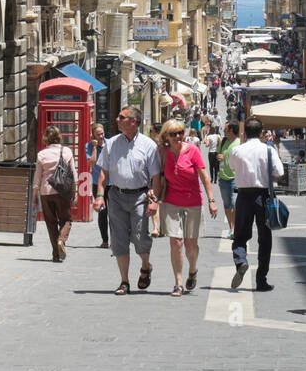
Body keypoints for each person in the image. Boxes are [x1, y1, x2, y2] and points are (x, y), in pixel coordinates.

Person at [95, 106, 162, 296]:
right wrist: (100, 195)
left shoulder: (149, 145)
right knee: (118, 240)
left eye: (121, 117)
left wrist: (154, 200)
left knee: (140, 237)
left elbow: (156, 177)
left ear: (133, 121)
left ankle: (146, 266)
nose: (117, 120)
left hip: (140, 196)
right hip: (116, 196)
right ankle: (124, 281)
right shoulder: (112, 143)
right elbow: (103, 173)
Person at [158, 120, 217, 296]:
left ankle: (193, 269)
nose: (178, 136)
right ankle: (178, 283)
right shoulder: (162, 152)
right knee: (176, 242)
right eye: (173, 134)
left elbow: (205, 177)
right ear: (166, 136)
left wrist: (212, 200)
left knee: (191, 245)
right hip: (171, 202)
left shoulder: (192, 150)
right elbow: (155, 174)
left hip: (193, 202)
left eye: (180, 133)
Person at [230, 116, 284, 292]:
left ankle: (241, 261)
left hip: (244, 196)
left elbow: (232, 167)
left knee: (240, 235)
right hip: (263, 196)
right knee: (265, 239)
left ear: (244, 133)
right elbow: (279, 173)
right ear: (262, 133)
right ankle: (261, 280)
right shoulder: (268, 150)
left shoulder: (237, 150)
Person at [33, 126, 75, 263]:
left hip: (46, 192)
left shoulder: (41, 154)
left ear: (46, 138)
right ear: (59, 137)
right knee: (66, 220)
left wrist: (34, 196)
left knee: (51, 223)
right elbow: (73, 174)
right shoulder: (67, 151)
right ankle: (61, 240)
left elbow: (37, 177)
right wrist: (76, 192)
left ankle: (56, 255)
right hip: (62, 191)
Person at [86, 123, 107, 248]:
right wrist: (94, 148)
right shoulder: (88, 146)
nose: (101, 136)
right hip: (96, 183)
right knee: (103, 212)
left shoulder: (110, 143)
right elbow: (92, 164)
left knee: (114, 213)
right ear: (93, 135)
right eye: (98, 134)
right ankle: (105, 240)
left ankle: (116, 240)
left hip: (111, 183)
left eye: (102, 133)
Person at [217, 121, 238, 237]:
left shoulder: (239, 143)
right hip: (223, 178)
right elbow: (219, 154)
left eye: (225, 130)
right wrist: (220, 157)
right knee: (227, 204)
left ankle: (234, 228)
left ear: (231, 131)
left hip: (235, 178)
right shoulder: (223, 141)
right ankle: (231, 227)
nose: (224, 132)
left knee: (234, 203)